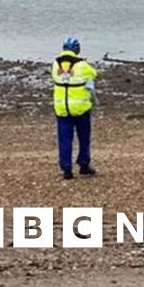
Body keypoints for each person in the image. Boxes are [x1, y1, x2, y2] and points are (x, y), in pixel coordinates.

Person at [51, 37, 99, 180]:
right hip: (80, 107)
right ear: (77, 49)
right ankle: (83, 164)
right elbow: (93, 74)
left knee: (65, 139)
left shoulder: (55, 64)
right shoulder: (81, 65)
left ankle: (66, 169)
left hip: (62, 107)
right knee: (83, 137)